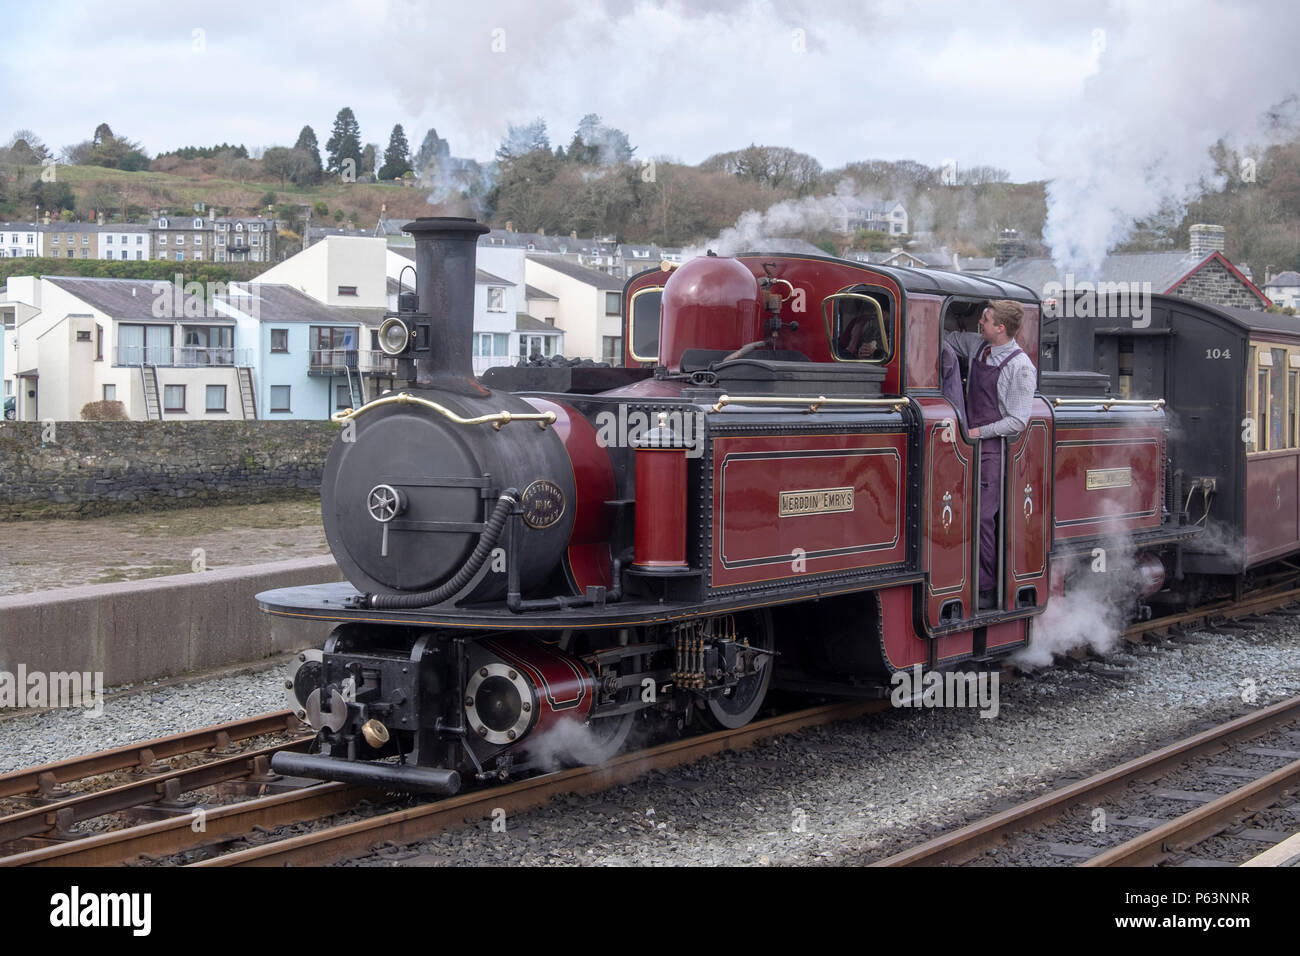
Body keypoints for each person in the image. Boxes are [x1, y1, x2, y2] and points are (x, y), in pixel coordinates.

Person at [945, 300, 1036, 610]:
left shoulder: (1021, 367)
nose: (979, 323)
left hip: (993, 450)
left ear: (1001, 328)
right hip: (966, 445)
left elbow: (1018, 420)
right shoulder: (977, 346)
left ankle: (986, 586)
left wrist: (978, 433)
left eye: (985, 319)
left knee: (983, 517)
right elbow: (944, 341)